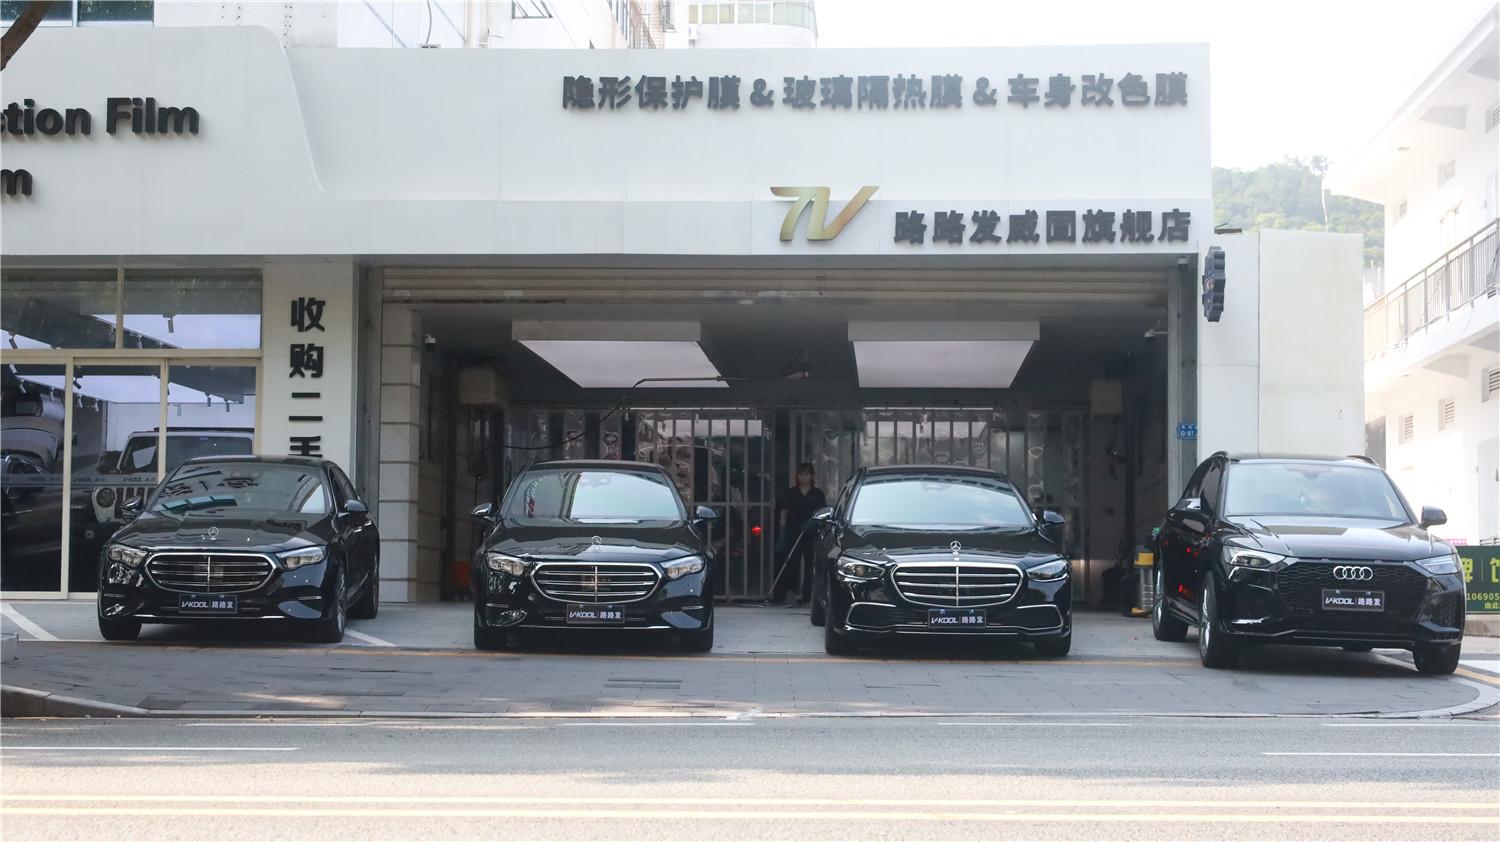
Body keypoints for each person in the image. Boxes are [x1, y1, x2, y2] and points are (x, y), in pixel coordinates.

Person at [772, 462, 826, 605]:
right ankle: (790, 594)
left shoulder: (818, 494)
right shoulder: (791, 493)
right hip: (794, 532)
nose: (803, 478)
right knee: (791, 563)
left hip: (811, 534)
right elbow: (784, 513)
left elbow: (822, 514)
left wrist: (814, 523)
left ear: (811, 476)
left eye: (806, 475)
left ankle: (807, 597)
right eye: (801, 474)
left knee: (810, 565)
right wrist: (782, 533)